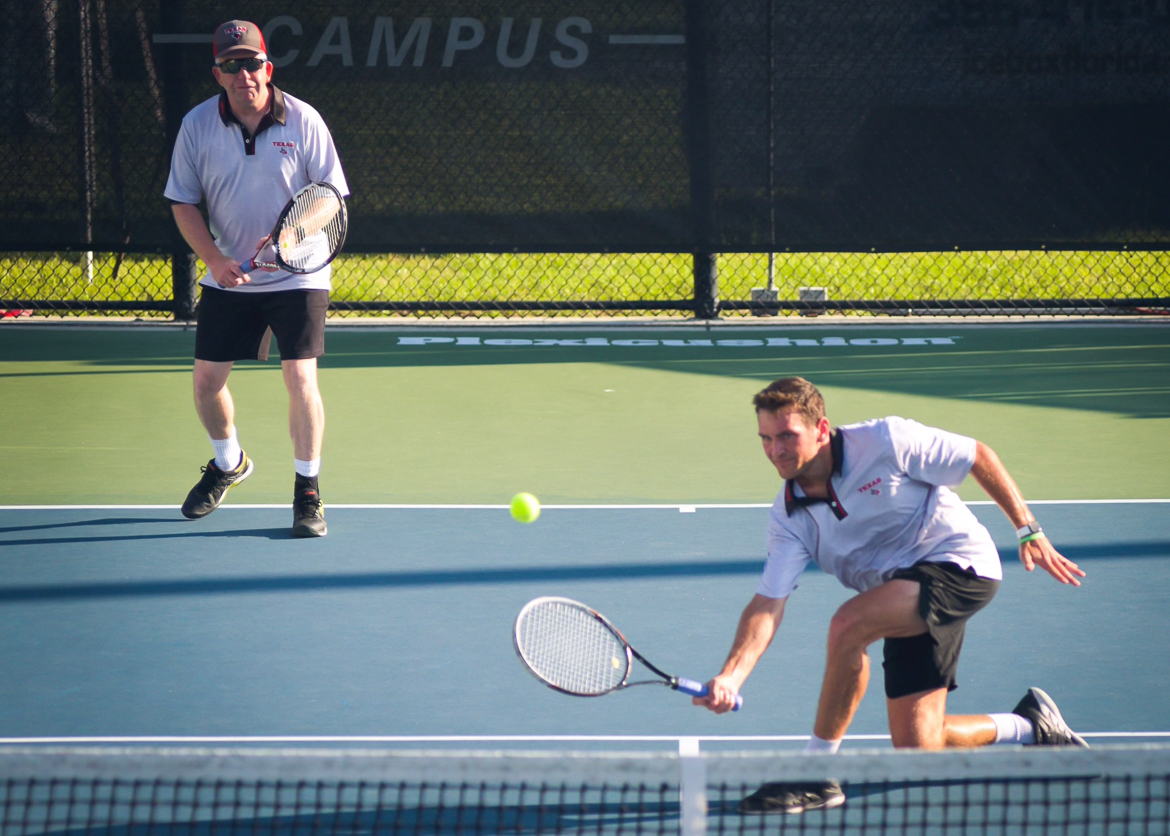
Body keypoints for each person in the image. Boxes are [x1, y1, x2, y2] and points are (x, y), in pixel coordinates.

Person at [694, 377, 1088, 814]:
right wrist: (731, 676)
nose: (776, 450)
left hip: (959, 564)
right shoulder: (789, 518)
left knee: (848, 625)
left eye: (787, 436)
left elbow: (977, 455)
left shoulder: (886, 441)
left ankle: (816, 772)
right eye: (766, 439)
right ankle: (1030, 725)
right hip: (898, 593)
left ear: (821, 429)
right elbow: (767, 605)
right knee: (919, 746)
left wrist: (1028, 529)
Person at [165, 20, 348, 537]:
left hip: (300, 274)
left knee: (300, 377)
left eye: (251, 63)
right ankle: (229, 463)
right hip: (230, 274)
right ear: (218, 74)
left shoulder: (304, 120)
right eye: (231, 65)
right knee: (206, 383)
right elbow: (183, 202)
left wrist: (290, 238)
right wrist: (214, 260)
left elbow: (330, 197)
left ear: (268, 68)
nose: (243, 74)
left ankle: (307, 492)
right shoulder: (197, 126)